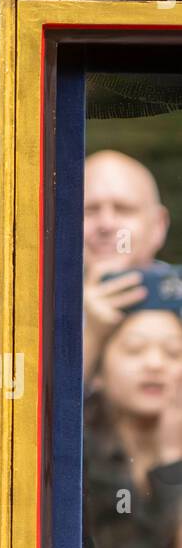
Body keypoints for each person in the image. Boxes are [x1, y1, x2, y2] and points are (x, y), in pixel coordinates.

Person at [83, 276, 182, 548]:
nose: (155, 364)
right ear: (99, 372)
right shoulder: (77, 451)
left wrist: (171, 459)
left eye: (173, 352)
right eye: (134, 349)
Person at [82, 150, 171, 384]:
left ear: (158, 226)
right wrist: (89, 334)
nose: (106, 224)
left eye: (123, 209)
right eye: (89, 210)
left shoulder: (176, 294)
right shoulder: (33, 305)